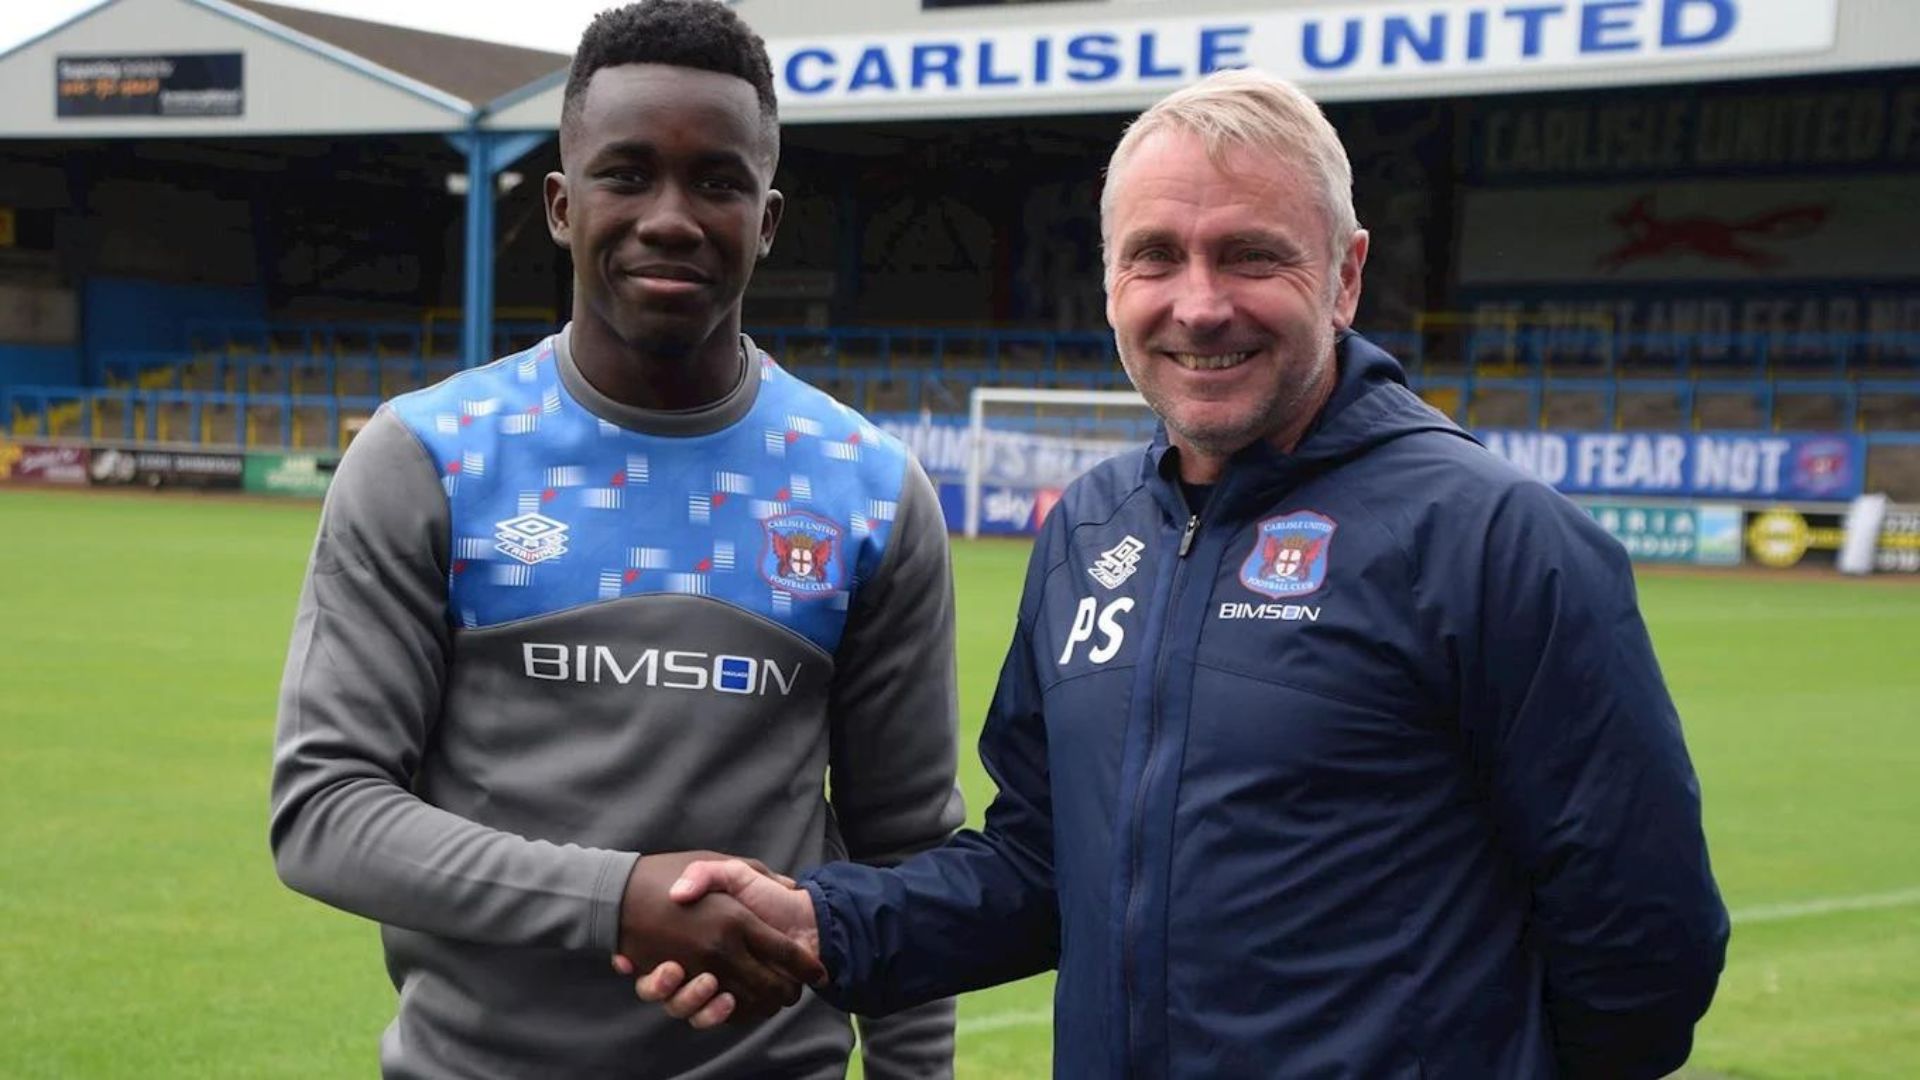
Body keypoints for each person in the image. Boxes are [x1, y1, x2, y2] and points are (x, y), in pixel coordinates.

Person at [632, 68, 1730, 1078]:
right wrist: (823, 924)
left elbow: (1647, 949)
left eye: (1252, 255)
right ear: (1110, 280)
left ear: (1345, 274)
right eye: (1155, 255)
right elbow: (1042, 868)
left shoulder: (1497, 542)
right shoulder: (1092, 528)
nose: (1199, 305)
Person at [267, 2, 964, 1076]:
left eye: (719, 181)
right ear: (561, 202)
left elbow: (905, 846)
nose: (672, 217)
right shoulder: (429, 457)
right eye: (627, 173)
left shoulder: (869, 488)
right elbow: (326, 813)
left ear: (768, 220)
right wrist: (617, 899)